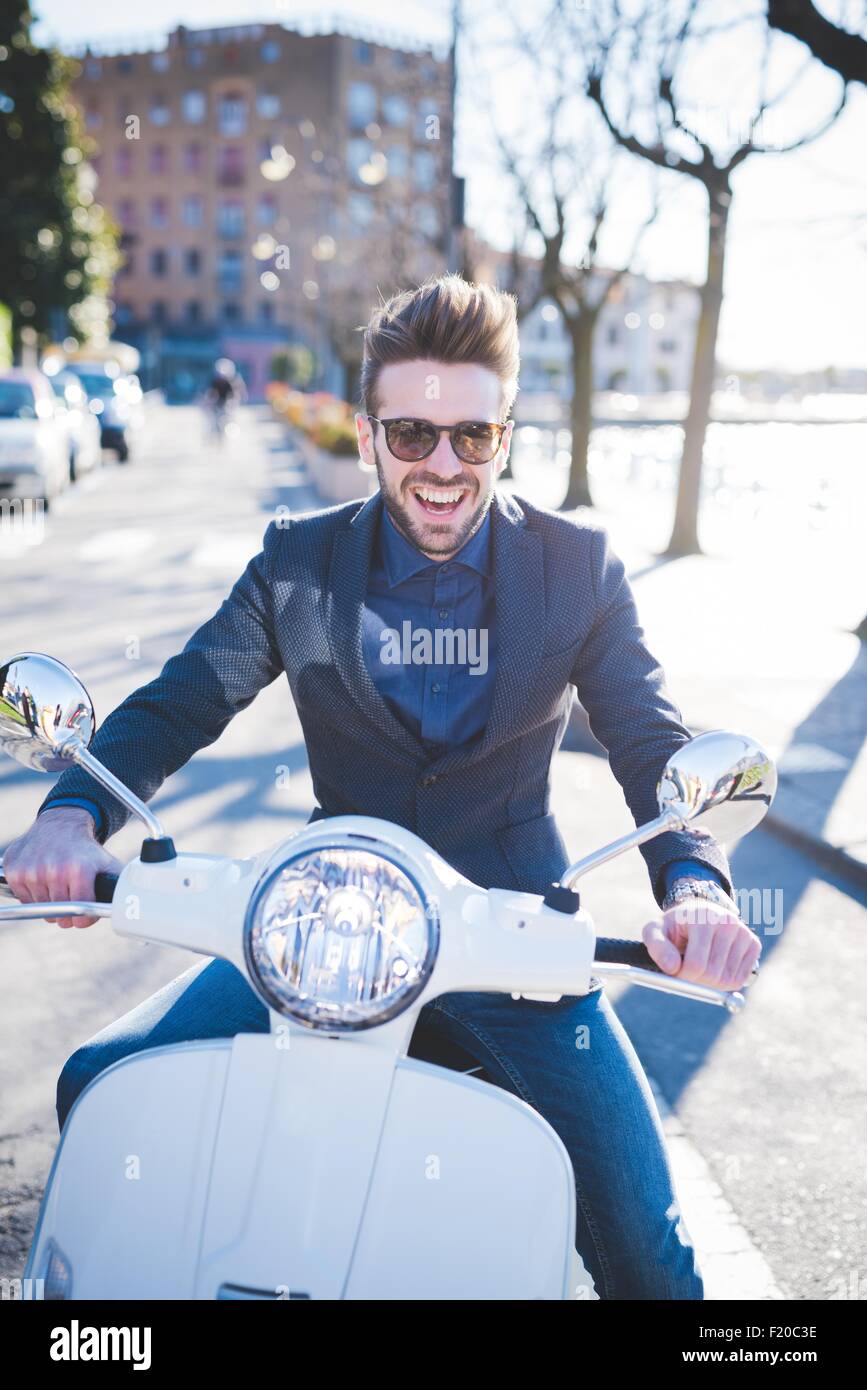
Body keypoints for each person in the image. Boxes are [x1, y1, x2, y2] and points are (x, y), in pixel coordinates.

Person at [5, 275, 761, 1300]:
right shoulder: (296, 562)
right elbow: (182, 701)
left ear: (506, 435)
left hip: (516, 939)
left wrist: (699, 888)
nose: (443, 465)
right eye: (411, 434)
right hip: (322, 927)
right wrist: (71, 813)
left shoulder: (578, 566)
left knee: (651, 1255)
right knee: (102, 1086)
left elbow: (647, 735)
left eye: (472, 436)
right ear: (367, 436)